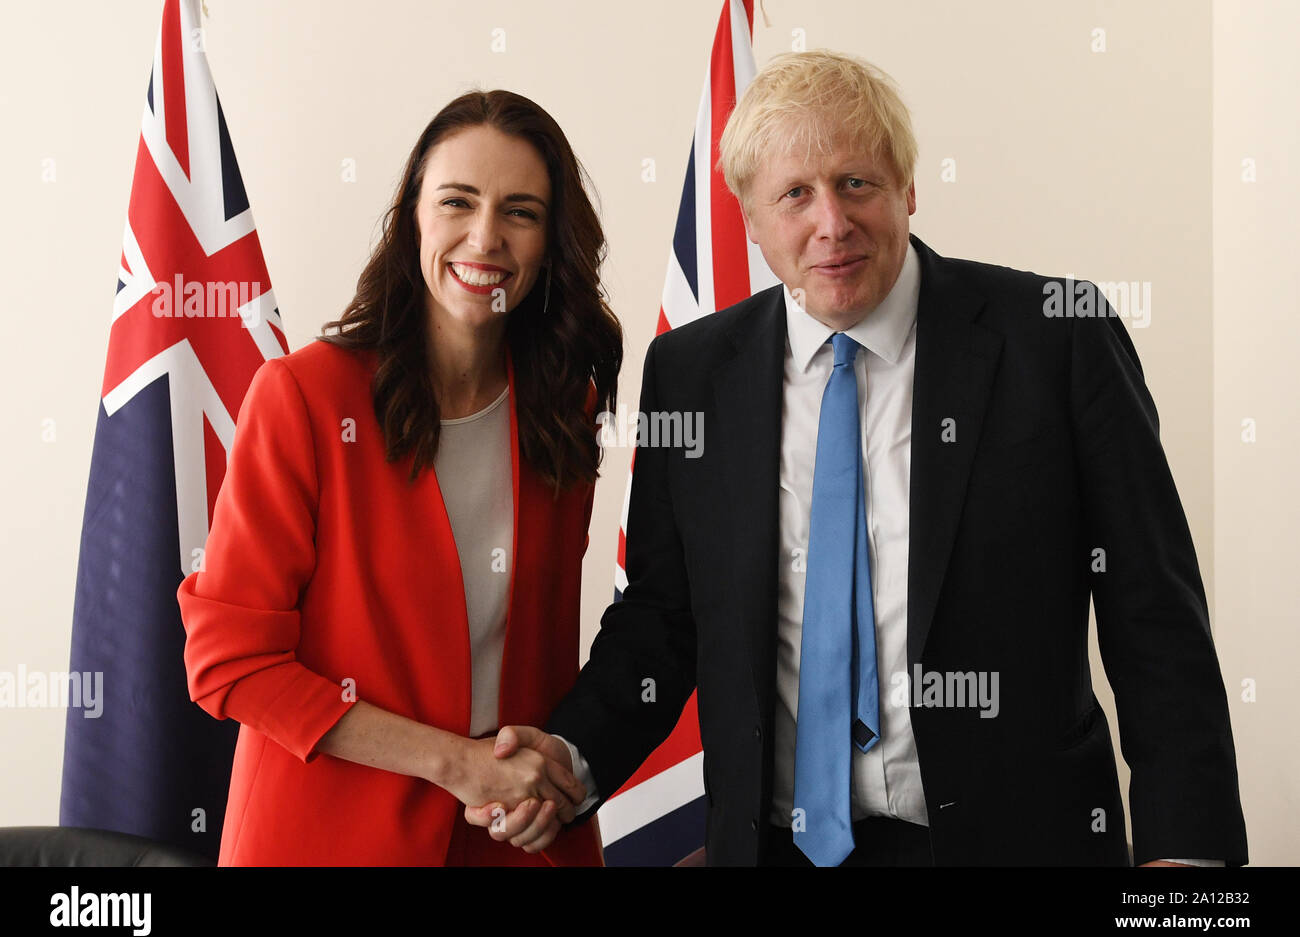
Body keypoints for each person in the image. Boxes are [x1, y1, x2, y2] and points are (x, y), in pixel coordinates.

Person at [465, 51, 1248, 867]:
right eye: (795, 194)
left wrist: (1186, 866)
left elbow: (1156, 625)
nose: (831, 224)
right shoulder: (692, 372)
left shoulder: (1057, 339)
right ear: (750, 220)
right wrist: (572, 756)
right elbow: (663, 617)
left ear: (908, 189)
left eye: (857, 183)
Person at [178, 89, 622, 865]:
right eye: (458, 201)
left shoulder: (563, 408)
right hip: (326, 839)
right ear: (412, 213)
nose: (485, 238)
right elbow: (228, 660)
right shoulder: (305, 399)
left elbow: (545, 653)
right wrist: (455, 762)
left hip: (513, 840)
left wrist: (551, 777)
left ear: (551, 242)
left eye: (520, 212)